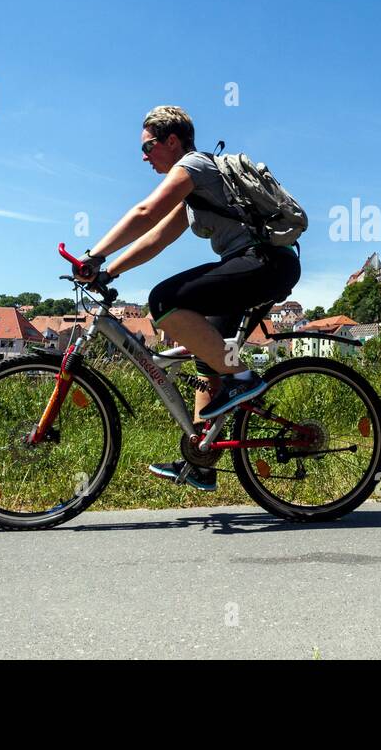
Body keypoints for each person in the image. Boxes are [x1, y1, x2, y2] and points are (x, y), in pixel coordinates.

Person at [75, 105, 300, 491]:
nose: (143, 156)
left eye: (148, 147)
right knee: (207, 353)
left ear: (172, 140)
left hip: (263, 263)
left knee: (164, 301)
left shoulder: (194, 166)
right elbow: (155, 238)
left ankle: (243, 380)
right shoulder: (194, 191)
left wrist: (94, 255)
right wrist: (110, 272)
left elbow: (146, 212)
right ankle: (201, 460)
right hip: (254, 265)